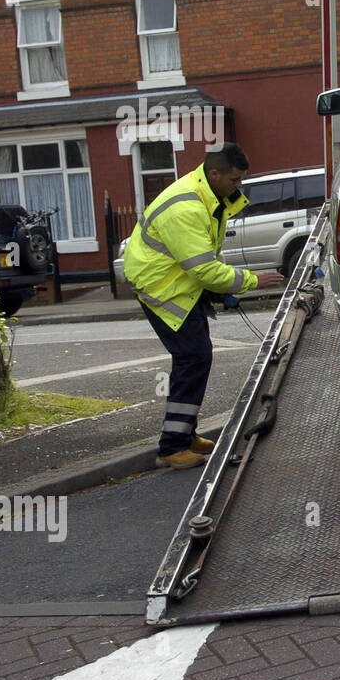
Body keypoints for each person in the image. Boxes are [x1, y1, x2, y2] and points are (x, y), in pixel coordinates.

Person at [123, 144, 284, 469]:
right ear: (214, 174)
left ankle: (184, 433)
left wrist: (220, 288)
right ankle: (172, 447)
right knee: (193, 357)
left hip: (176, 281)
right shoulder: (187, 207)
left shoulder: (207, 198)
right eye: (235, 179)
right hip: (164, 287)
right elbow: (203, 268)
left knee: (194, 358)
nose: (239, 186)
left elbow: (207, 255)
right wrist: (251, 281)